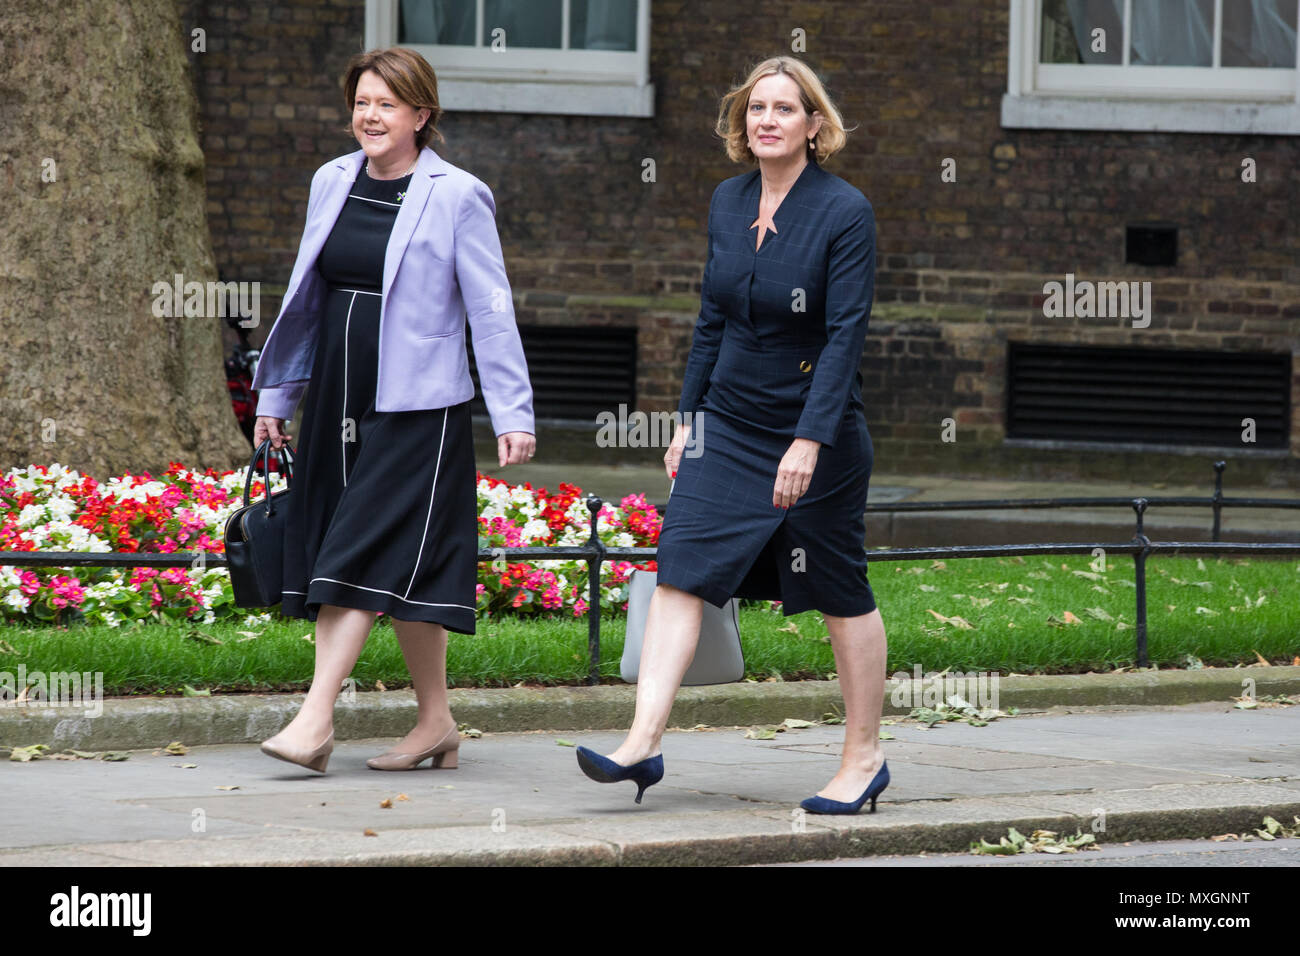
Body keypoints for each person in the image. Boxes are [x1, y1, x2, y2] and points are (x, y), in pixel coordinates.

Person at [576, 56, 889, 813]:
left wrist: (809, 441)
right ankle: (642, 741)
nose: (768, 120)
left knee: (838, 588)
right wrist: (689, 421)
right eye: (756, 109)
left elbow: (846, 336)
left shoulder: (844, 212)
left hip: (815, 429)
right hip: (731, 421)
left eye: (785, 109)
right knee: (682, 563)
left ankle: (864, 757)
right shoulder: (727, 200)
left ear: (815, 126)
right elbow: (711, 318)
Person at [249, 47, 535, 774]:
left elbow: (490, 308)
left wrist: (512, 410)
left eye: (386, 104)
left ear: (421, 115)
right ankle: (436, 721)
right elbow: (305, 298)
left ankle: (314, 721)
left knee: (356, 551)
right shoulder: (332, 180)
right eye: (362, 102)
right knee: (405, 568)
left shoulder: (457, 194)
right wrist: (278, 396)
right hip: (339, 391)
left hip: (419, 403)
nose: (369, 116)